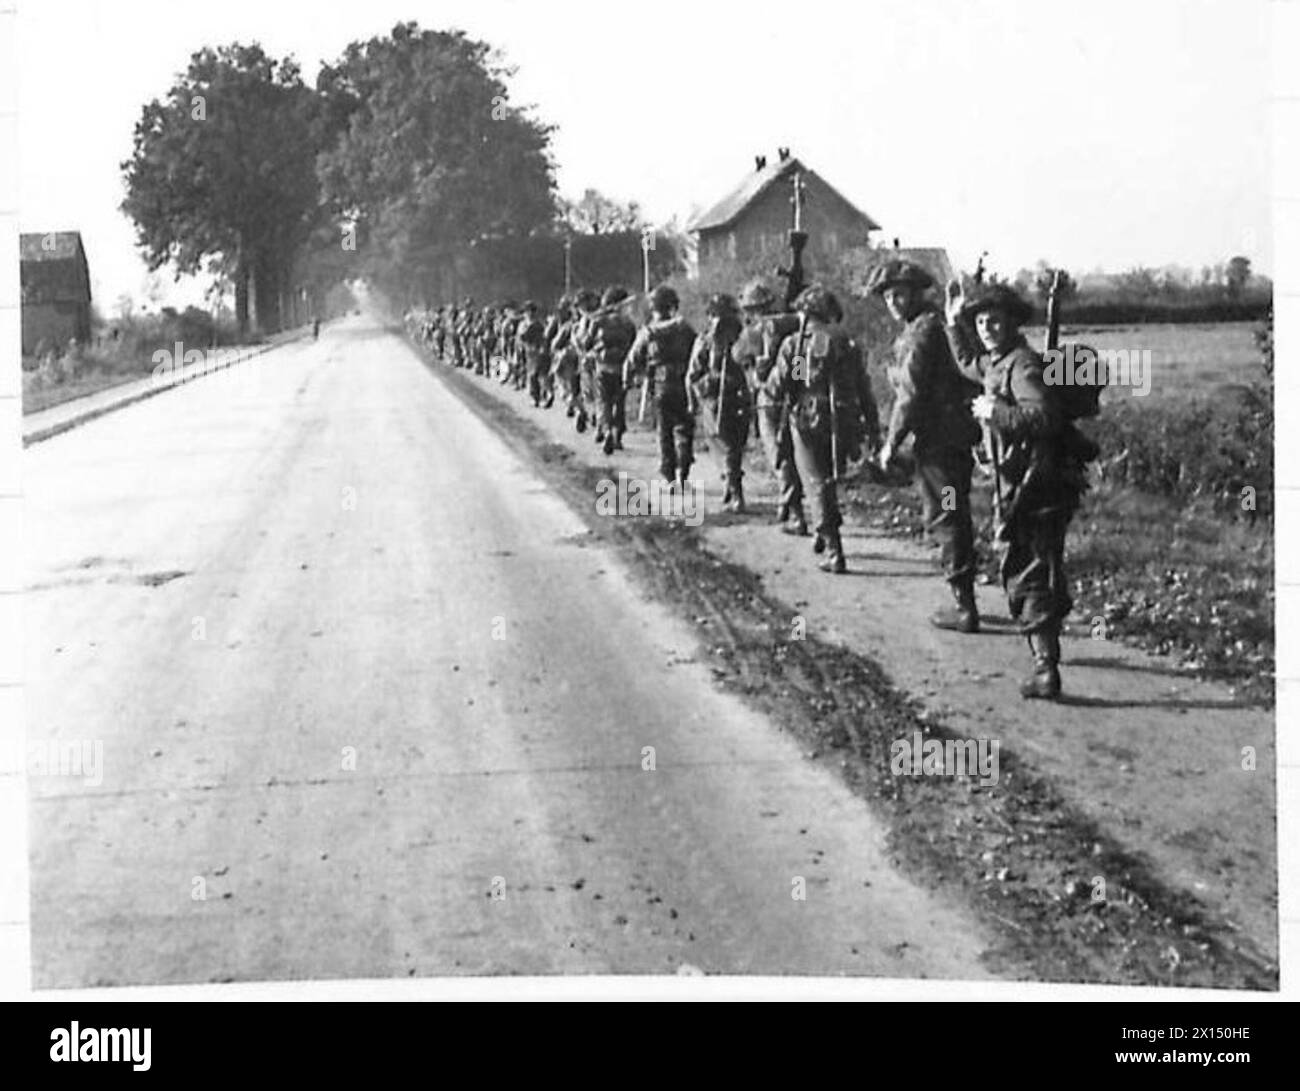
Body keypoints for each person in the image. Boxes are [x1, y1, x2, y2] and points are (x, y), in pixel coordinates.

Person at [945, 282, 1093, 700]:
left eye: (995, 320)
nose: (988, 327)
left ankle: (1046, 669)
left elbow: (1044, 417)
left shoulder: (1023, 365)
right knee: (1028, 565)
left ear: (1012, 322)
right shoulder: (997, 362)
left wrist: (998, 414)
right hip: (1015, 482)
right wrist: (954, 320)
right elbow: (966, 363)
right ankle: (1045, 655)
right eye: (981, 321)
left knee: (1029, 569)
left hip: (1036, 486)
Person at [868, 259, 982, 629]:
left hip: (940, 443)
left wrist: (891, 443)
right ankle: (964, 594)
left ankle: (964, 605)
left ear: (917, 293)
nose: (894, 303)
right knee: (954, 510)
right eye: (888, 297)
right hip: (953, 438)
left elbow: (911, 394)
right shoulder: (934, 325)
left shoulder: (923, 332)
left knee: (947, 513)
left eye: (900, 294)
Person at [763, 284, 865, 574]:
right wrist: (870, 426)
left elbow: (782, 384)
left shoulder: (797, 345)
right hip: (844, 418)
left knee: (815, 481)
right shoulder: (847, 343)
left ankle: (834, 549)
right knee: (829, 479)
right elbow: (863, 387)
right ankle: (825, 532)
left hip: (808, 419)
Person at [733, 281, 807, 532]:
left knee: (779, 455)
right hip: (797, 394)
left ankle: (796, 513)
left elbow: (737, 356)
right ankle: (787, 504)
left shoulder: (754, 330)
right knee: (796, 453)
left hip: (769, 398)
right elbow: (801, 358)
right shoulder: (794, 322)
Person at [625, 285, 698, 491]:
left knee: (664, 431)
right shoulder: (684, 328)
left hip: (660, 385)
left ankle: (669, 477)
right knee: (685, 428)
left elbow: (633, 358)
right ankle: (684, 474)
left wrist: (631, 378)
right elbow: (698, 350)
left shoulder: (648, 331)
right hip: (683, 383)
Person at [688, 293, 751, 512]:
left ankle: (734, 488)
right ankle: (732, 485)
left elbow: (693, 375)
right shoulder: (754, 335)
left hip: (721, 400)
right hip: (740, 399)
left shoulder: (706, 340)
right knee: (734, 447)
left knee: (726, 445)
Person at [586, 286, 637, 455]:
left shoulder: (597, 321)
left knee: (603, 402)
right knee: (619, 403)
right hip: (622, 368)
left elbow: (587, 342)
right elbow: (634, 346)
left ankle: (606, 430)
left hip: (603, 366)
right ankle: (617, 437)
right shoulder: (628, 323)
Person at [518, 300, 552, 408]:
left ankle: (541, 397)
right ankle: (538, 397)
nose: (530, 313)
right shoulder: (525, 324)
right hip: (530, 351)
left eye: (532, 310)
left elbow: (546, 336)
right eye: (528, 310)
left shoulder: (538, 323)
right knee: (535, 375)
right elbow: (521, 337)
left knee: (537, 375)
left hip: (537, 351)